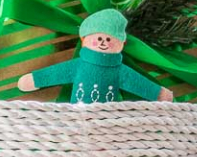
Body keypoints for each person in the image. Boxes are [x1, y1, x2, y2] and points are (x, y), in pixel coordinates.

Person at [16, 9, 174, 104]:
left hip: (106, 122)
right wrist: (35, 79)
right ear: (84, 40)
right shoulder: (79, 65)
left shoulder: (119, 70)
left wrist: (157, 93)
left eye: (109, 39)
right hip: (77, 117)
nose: (103, 42)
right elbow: (56, 73)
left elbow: (137, 82)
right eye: (99, 38)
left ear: (121, 44)